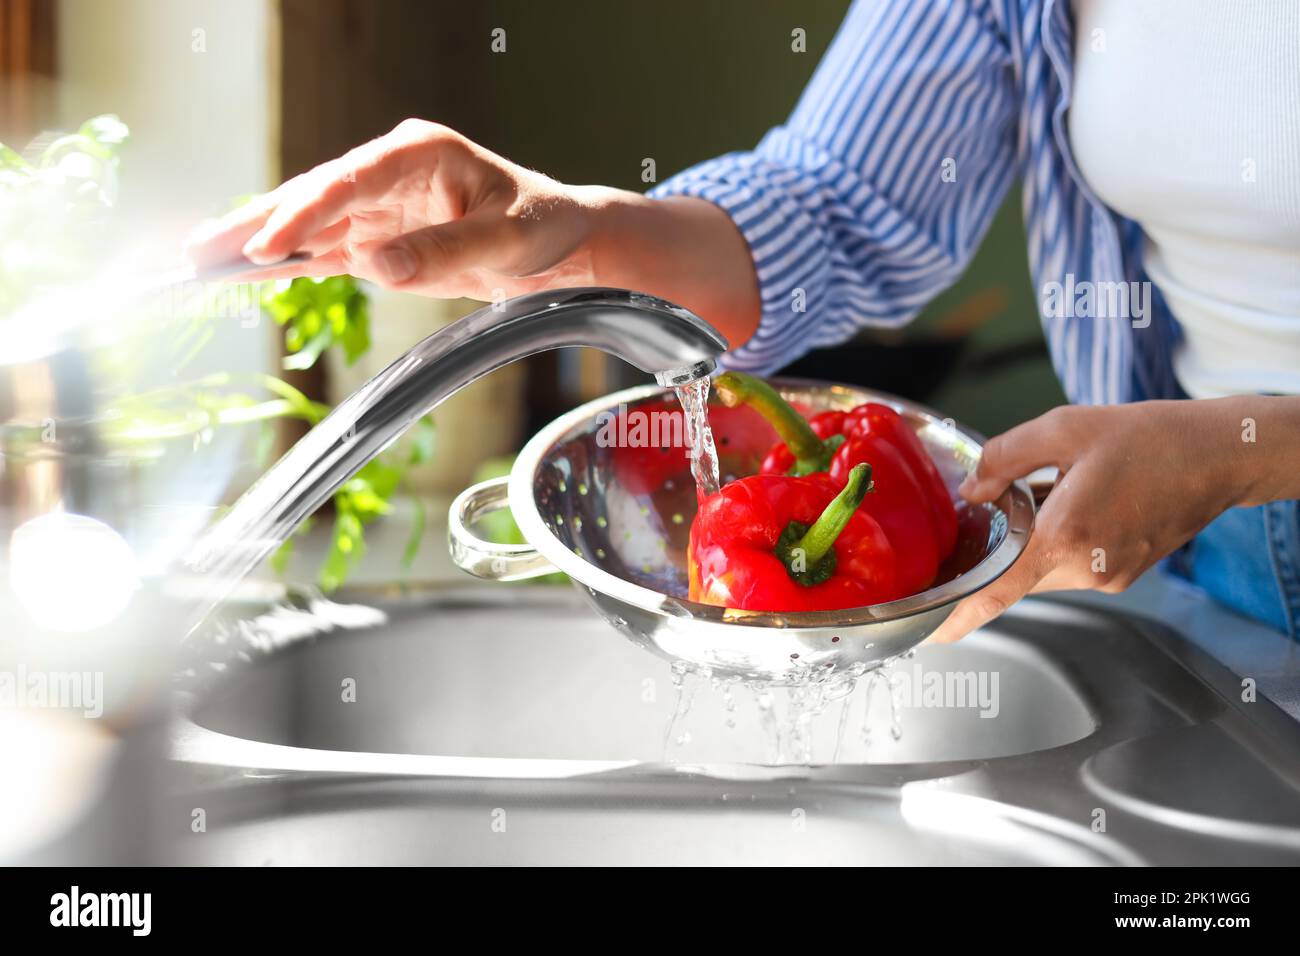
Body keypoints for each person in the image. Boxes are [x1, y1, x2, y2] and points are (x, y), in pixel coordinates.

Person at [187, 0, 1300, 642]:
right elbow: (838, 202)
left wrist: (1246, 450)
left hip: (1200, 492)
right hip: (1203, 567)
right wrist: (573, 227)